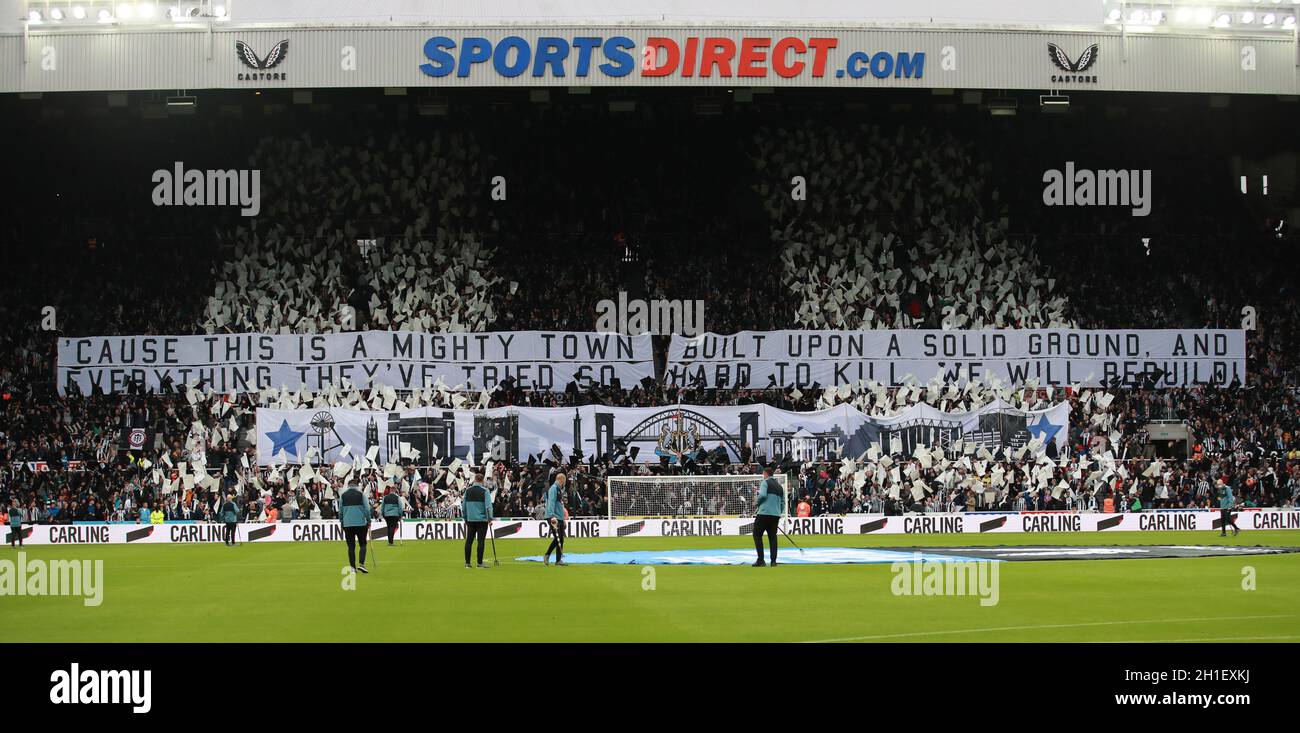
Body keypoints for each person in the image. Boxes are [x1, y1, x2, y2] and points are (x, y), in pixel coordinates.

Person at [338, 478, 372, 573]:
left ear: (348, 486)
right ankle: (361, 564)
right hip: (360, 523)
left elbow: (340, 510)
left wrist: (341, 521)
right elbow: (367, 509)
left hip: (347, 524)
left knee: (351, 546)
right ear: (357, 485)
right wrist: (368, 520)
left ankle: (352, 567)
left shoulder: (343, 495)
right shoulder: (361, 495)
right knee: (363, 544)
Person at [752, 468, 784, 567]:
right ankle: (773, 561)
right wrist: (778, 512)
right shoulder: (779, 487)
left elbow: (762, 495)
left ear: (766, 474)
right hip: (775, 515)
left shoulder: (765, 482)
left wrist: (756, 503)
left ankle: (761, 560)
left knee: (757, 534)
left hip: (764, 513)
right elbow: (782, 503)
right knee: (773, 537)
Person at [463, 472, 493, 568]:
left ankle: (467, 563)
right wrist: (489, 519)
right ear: (482, 480)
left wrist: (465, 517)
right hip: (482, 520)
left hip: (470, 519)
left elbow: (463, 507)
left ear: (475, 480)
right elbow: (488, 507)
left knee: (469, 541)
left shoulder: (468, 491)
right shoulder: (485, 491)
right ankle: (479, 563)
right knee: (481, 541)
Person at [543, 472, 568, 566]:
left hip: (559, 517)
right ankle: (547, 555)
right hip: (554, 517)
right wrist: (552, 516)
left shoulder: (558, 489)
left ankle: (558, 560)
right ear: (562, 480)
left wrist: (562, 519)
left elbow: (559, 505)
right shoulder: (553, 489)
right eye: (564, 480)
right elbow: (551, 503)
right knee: (558, 538)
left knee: (560, 539)